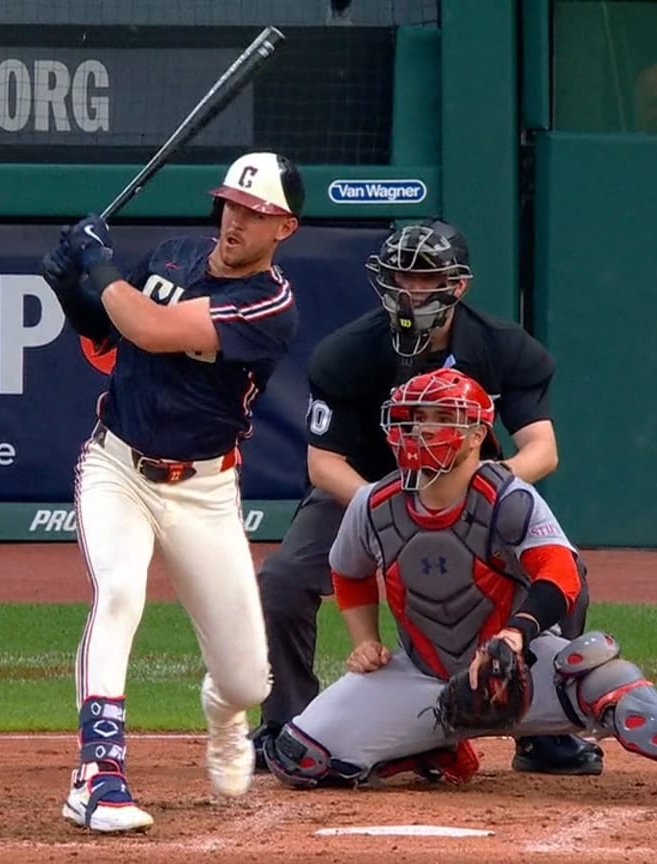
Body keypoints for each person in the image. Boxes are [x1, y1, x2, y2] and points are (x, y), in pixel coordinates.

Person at [262, 368, 657, 804]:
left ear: (476, 434)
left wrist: (515, 634)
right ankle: (435, 749)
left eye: (436, 419)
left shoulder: (507, 499)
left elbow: (559, 570)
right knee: (299, 756)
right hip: (423, 673)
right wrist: (365, 640)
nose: (418, 431)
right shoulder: (373, 503)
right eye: (411, 419)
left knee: (599, 672)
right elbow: (348, 571)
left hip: (518, 669)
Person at [253, 218, 604, 777]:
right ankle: (285, 723)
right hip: (362, 492)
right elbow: (323, 465)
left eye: (425, 278)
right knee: (283, 580)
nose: (410, 290)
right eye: (399, 276)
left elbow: (543, 450)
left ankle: (547, 733)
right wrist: (393, 506)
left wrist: (480, 491)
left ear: (458, 285)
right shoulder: (347, 353)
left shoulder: (502, 347)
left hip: (473, 492)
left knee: (563, 573)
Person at [38, 151, 306, 833]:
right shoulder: (173, 255)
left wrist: (98, 267)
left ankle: (223, 714)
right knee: (120, 591)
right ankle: (98, 775)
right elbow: (108, 337)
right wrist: (72, 290)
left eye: (256, 212)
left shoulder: (270, 306)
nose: (236, 220)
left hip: (205, 491)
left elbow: (152, 328)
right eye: (231, 204)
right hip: (117, 466)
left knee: (249, 680)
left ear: (285, 229)